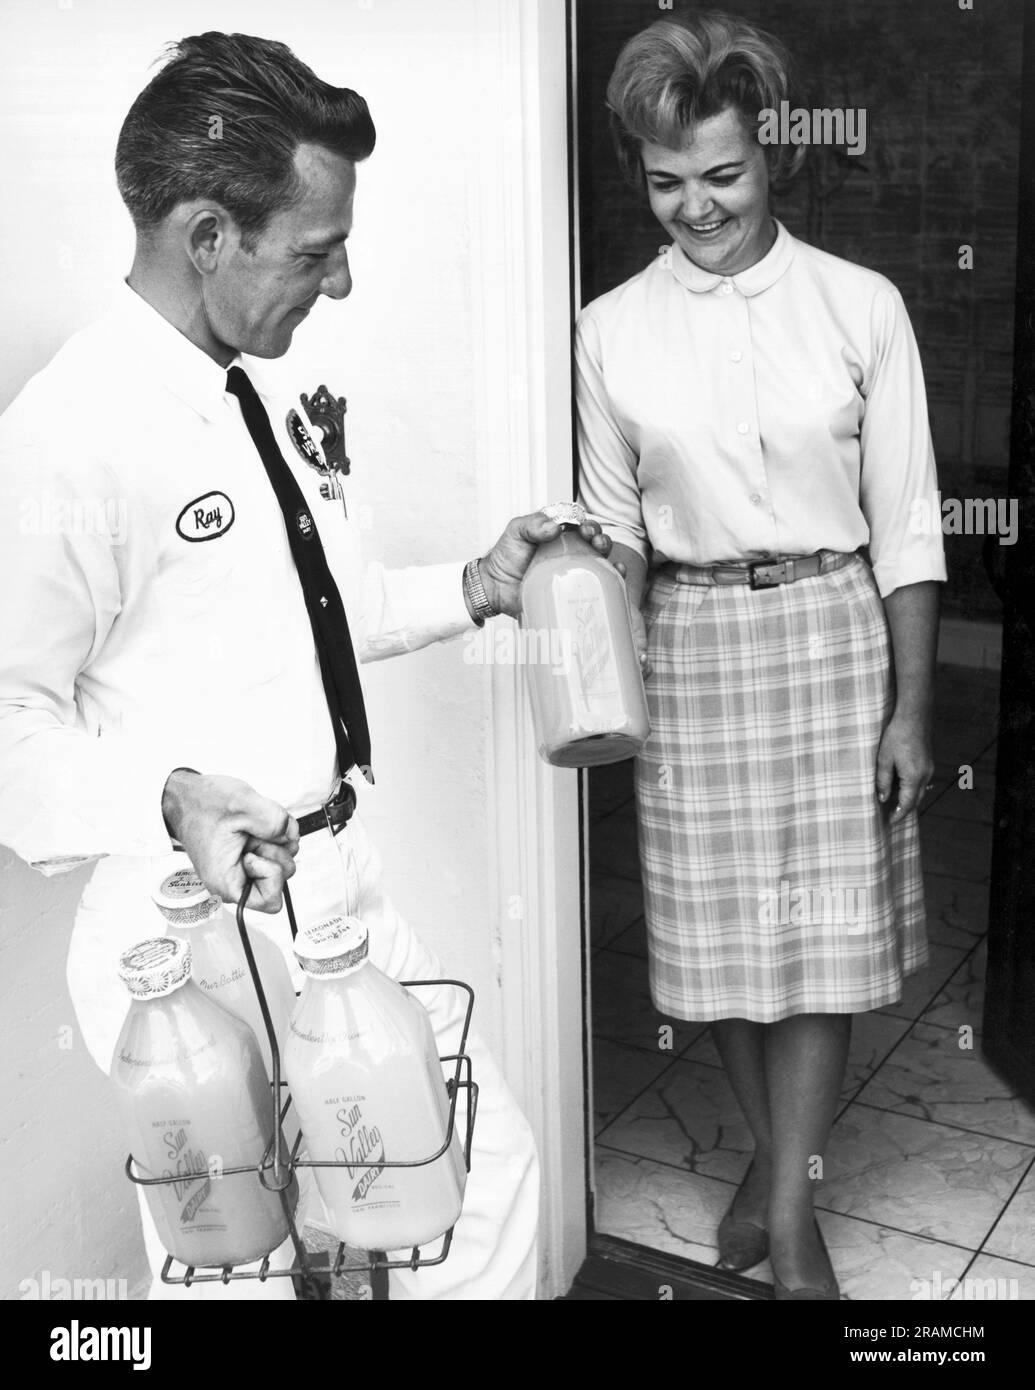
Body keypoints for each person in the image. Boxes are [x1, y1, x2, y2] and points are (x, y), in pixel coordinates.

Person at [0, 31, 613, 1301]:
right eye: (315, 249)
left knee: (469, 1189)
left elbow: (308, 614)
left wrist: (476, 586)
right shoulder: (69, 436)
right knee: (240, 1268)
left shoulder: (244, 390)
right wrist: (172, 798)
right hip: (188, 934)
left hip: (329, 888)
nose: (340, 285)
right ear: (208, 233)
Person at [577, 11, 945, 1300]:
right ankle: (786, 1172)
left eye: (723, 176)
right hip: (687, 648)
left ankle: (789, 1219)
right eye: (668, 183)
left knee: (822, 940)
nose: (698, 207)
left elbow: (904, 524)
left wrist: (910, 712)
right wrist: (594, 663)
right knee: (715, 946)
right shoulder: (609, 328)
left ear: (770, 155)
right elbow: (616, 531)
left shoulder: (861, 305)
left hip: (833, 635)